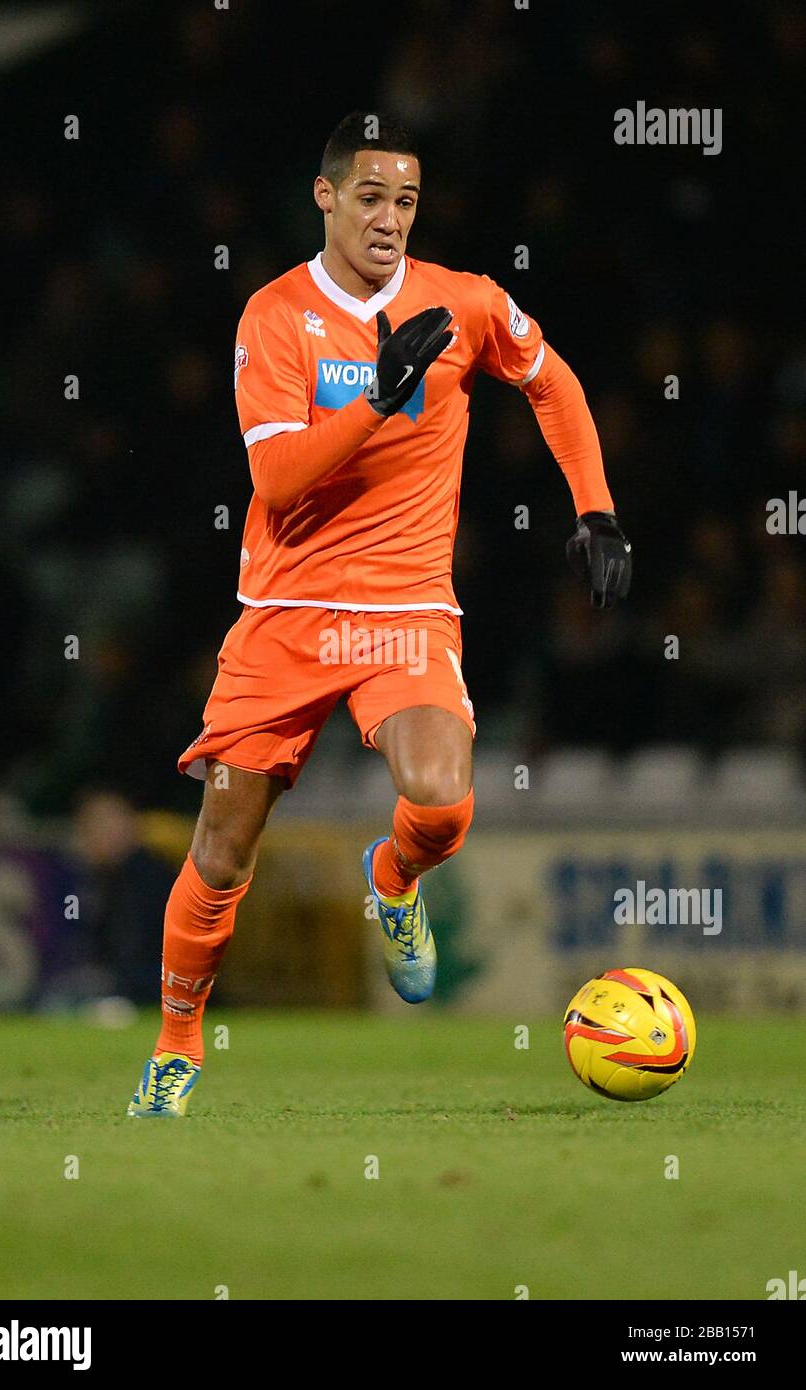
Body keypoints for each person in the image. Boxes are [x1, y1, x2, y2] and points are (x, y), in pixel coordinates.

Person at [128, 111, 631, 1118]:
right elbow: (273, 480)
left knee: (442, 803)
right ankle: (176, 1045)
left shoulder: (463, 302)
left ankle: (393, 878)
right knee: (222, 847)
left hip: (405, 605)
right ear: (325, 197)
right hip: (283, 612)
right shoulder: (273, 316)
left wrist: (594, 505)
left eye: (404, 199)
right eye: (369, 197)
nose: (389, 218)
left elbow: (552, 380)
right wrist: (376, 398)